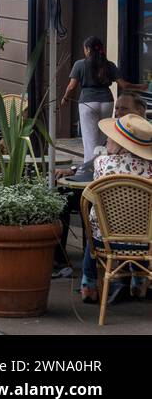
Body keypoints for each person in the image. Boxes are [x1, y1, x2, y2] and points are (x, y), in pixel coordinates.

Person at [80, 113, 152, 304]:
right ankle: (139, 281)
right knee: (142, 224)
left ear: (121, 144)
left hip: (107, 241)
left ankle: (89, 285)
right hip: (146, 243)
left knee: (95, 229)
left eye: (111, 137)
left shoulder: (102, 164)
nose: (107, 139)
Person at [62, 36, 147, 163]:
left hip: (88, 103)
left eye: (84, 49)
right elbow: (124, 85)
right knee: (102, 138)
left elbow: (71, 86)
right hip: (107, 102)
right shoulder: (109, 65)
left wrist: (65, 98)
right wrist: (140, 86)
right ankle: (102, 163)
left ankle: (89, 169)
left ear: (88, 49)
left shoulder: (79, 64)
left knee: (89, 140)